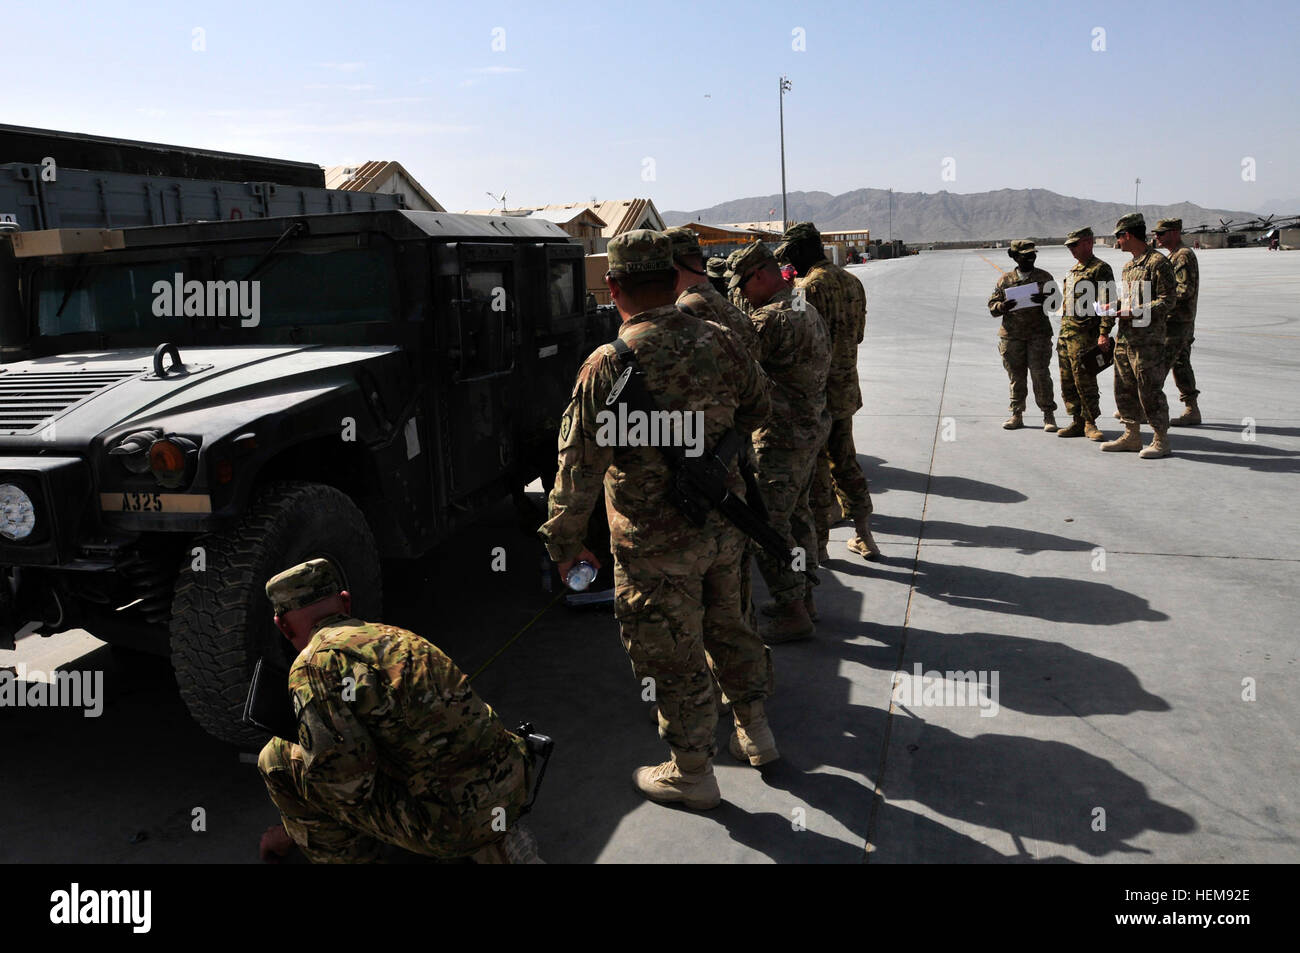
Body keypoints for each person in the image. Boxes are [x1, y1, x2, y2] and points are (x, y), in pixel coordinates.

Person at [539, 230, 777, 810]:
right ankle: (755, 730)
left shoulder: (608, 364)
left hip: (651, 543)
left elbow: (578, 467)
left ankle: (693, 771)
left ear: (613, 287)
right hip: (722, 527)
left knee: (671, 653)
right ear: (676, 281)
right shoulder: (722, 340)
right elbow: (759, 408)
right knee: (732, 625)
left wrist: (565, 544)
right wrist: (711, 443)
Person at [256, 558, 533, 864]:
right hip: (512, 784)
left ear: (282, 625)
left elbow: (346, 790)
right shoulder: (400, 637)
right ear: (345, 603)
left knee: (277, 758)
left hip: (452, 824)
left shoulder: (312, 666)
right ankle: (495, 841)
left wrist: (291, 830)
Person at [733, 241, 831, 641]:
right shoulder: (804, 307)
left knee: (766, 527)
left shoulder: (770, 319)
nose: (740, 293)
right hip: (808, 431)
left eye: (742, 284)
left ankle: (793, 612)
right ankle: (804, 597)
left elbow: (739, 367)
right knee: (797, 517)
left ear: (760, 275)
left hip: (780, 437)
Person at [777, 221, 880, 562]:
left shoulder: (807, 289)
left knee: (818, 472)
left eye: (792, 255)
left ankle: (819, 549)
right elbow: (859, 335)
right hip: (845, 389)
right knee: (846, 461)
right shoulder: (853, 282)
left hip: (815, 393)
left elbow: (798, 345)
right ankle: (864, 535)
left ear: (806, 250)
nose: (790, 262)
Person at [1098, 213, 1176, 458]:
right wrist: (1113, 307)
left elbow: (1168, 300)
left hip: (1148, 342)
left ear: (1128, 235)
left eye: (1118, 236)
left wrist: (1138, 311)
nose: (1117, 241)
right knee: (1123, 388)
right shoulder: (1130, 266)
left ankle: (1161, 439)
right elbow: (1132, 298)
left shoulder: (1157, 263)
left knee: (1150, 390)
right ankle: (1131, 435)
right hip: (1125, 339)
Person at [987, 240, 1059, 431]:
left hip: (1039, 335)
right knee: (1016, 376)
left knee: (1041, 375)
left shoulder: (1044, 277)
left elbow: (1057, 304)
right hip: (1012, 336)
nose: (1030, 258)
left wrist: (1046, 300)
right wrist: (1003, 306)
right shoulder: (1005, 280)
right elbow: (992, 307)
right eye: (1026, 255)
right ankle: (1016, 414)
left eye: (1033, 255)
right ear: (1015, 257)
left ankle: (1048, 415)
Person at [1056, 227, 1114, 441]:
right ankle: (1077, 420)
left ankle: (1090, 422)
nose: (1071, 249)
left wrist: (1104, 333)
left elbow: (1109, 303)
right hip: (1066, 335)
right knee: (1067, 380)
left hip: (1085, 336)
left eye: (1074, 245)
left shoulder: (1100, 269)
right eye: (1069, 246)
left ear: (1088, 243)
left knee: (1085, 379)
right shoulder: (1073, 271)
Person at [1153, 218, 1201, 426]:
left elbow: (1184, 289)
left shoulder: (1183, 256)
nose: (1157, 237)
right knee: (1180, 364)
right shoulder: (1173, 256)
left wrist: (1158, 299)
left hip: (1178, 321)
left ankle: (1148, 407)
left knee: (1160, 364)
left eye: (1161, 234)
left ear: (1174, 233)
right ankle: (1192, 408)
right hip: (1175, 320)